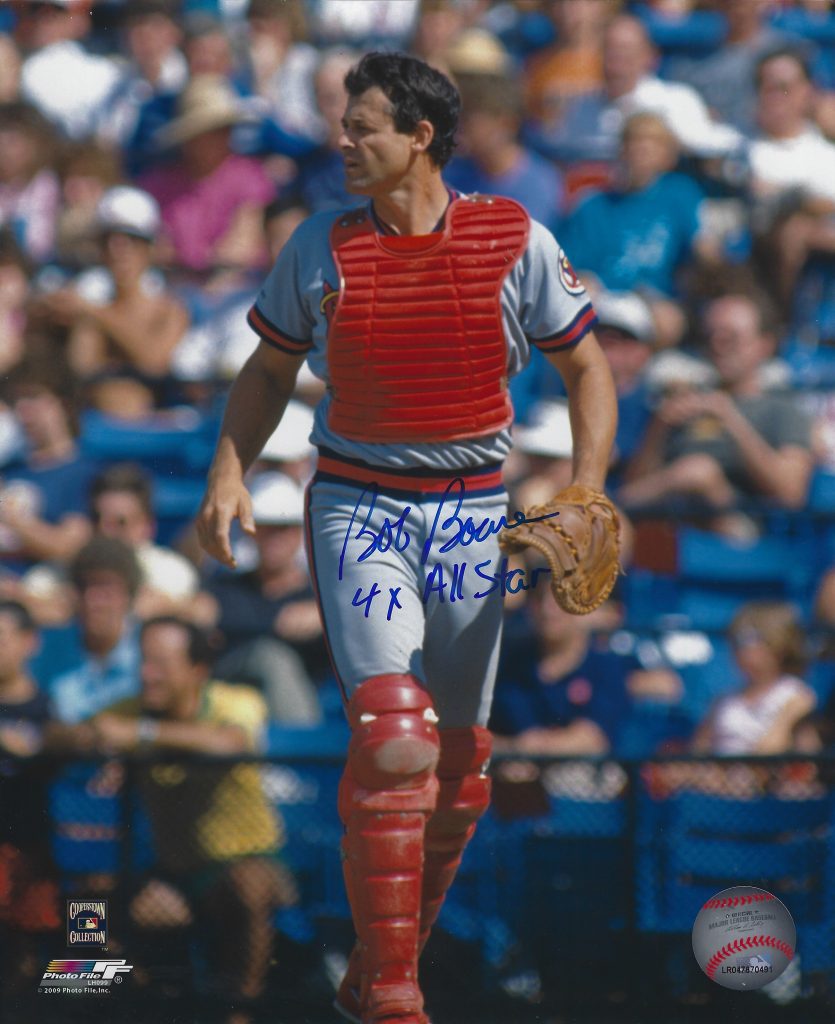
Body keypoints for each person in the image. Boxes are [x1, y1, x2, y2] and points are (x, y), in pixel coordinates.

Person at [196, 51, 617, 1024]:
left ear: (421, 135)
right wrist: (228, 466)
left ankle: (379, 965)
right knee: (392, 732)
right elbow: (267, 371)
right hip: (357, 501)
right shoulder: (320, 243)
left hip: (472, 507)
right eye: (345, 124)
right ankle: (392, 990)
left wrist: (588, 486)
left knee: (459, 761)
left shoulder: (512, 235)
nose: (344, 140)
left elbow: (588, 368)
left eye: (363, 125)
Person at [89, 615, 297, 1019]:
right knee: (90, 903)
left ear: (197, 670)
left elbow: (229, 742)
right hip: (176, 879)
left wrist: (142, 735)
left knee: (247, 886)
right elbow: (76, 731)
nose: (148, 675)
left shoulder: (235, 702)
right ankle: (97, 998)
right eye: (144, 662)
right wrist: (93, 735)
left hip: (249, 864)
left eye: (162, 665)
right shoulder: (133, 710)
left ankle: (240, 1011)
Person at [619, 289, 813, 520]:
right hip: (667, 527)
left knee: (698, 471)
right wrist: (660, 425)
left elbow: (791, 493)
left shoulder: (784, 409)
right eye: (711, 336)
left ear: (764, 345)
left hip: (744, 532)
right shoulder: (687, 400)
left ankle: (608, 509)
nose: (718, 345)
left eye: (731, 338)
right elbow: (638, 481)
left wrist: (731, 419)